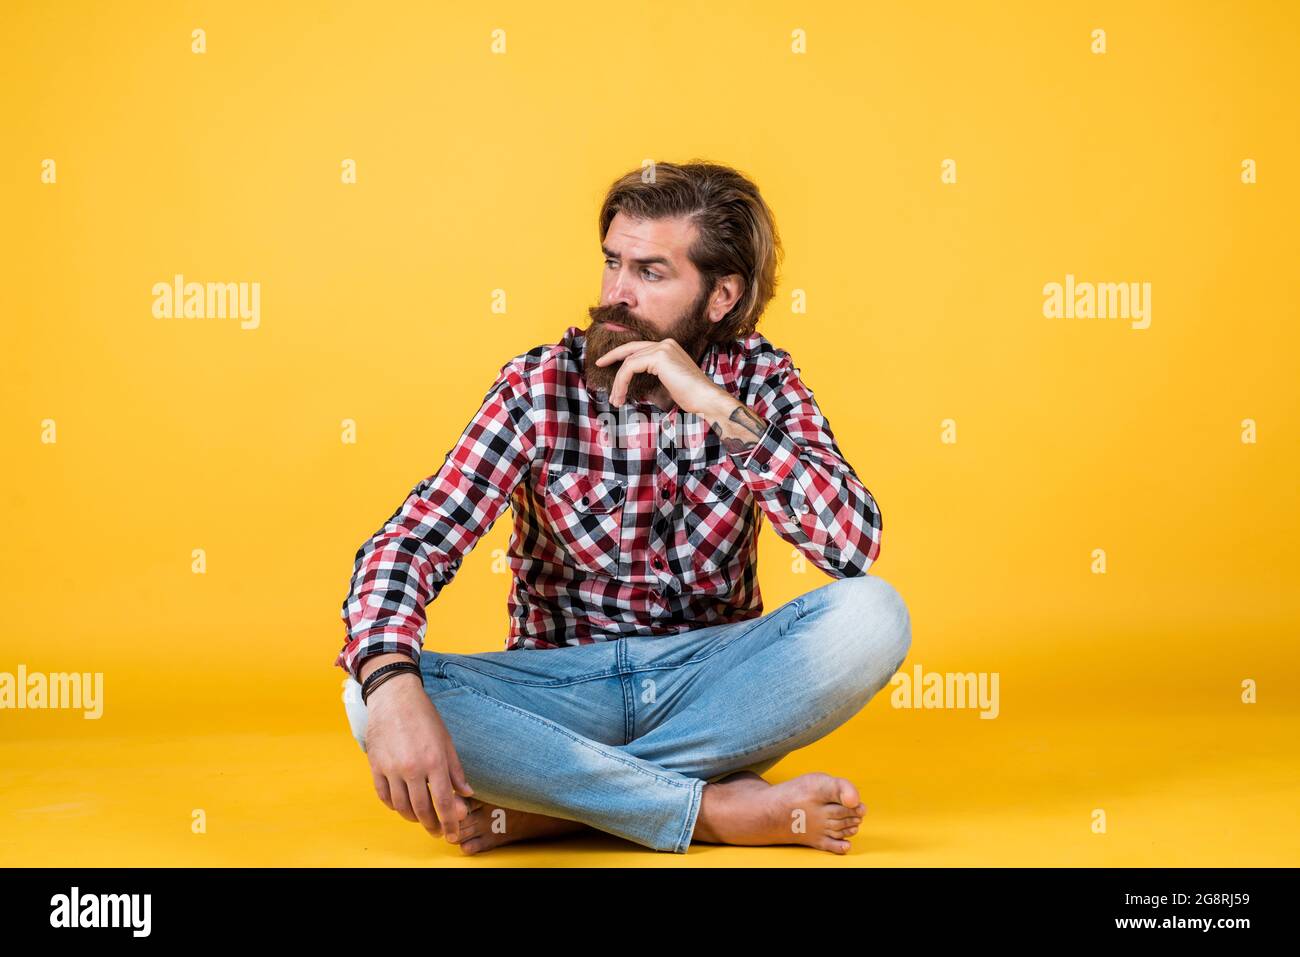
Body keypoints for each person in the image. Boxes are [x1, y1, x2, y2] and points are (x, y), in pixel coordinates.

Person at [335, 160, 912, 855]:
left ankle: (562, 804)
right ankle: (707, 808)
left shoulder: (759, 380)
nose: (616, 293)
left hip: (709, 686)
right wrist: (395, 686)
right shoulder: (539, 384)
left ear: (721, 294)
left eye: (650, 272)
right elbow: (412, 540)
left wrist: (711, 404)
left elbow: (851, 544)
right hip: (561, 690)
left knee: (876, 615)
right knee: (372, 693)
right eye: (613, 263)